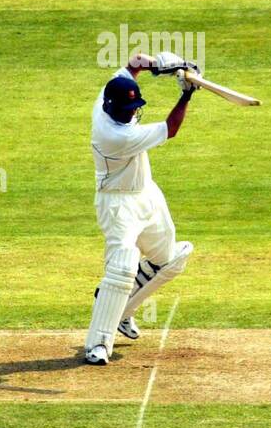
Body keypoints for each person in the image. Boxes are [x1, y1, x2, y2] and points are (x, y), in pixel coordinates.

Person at [84, 52, 198, 365]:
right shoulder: (115, 134)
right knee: (123, 266)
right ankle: (98, 345)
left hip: (146, 193)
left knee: (171, 259)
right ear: (109, 109)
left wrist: (160, 64)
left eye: (132, 110)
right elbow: (171, 128)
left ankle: (121, 310)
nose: (128, 115)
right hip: (117, 203)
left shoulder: (111, 92)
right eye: (124, 111)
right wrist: (186, 94)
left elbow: (133, 61)